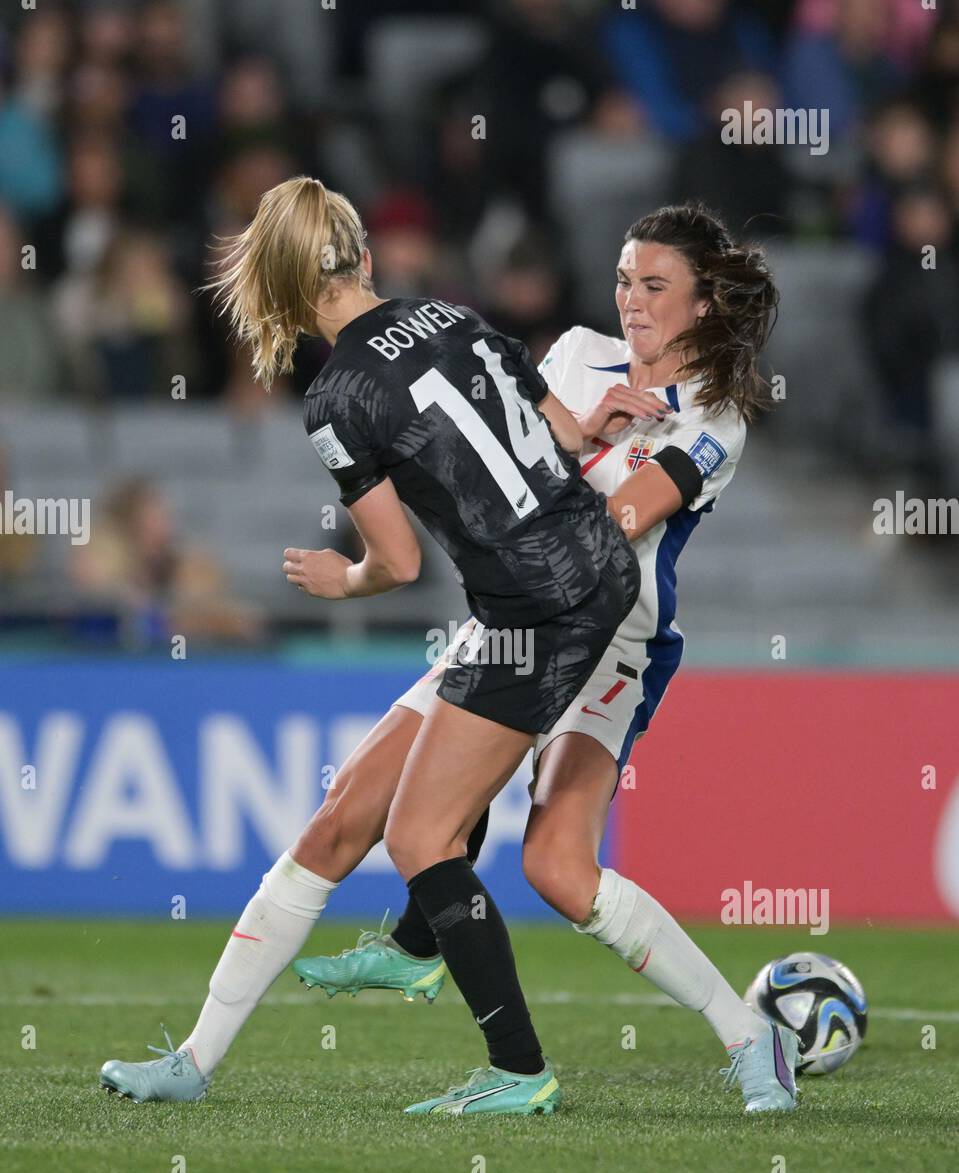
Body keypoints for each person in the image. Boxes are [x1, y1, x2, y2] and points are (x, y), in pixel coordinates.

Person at [99, 175, 641, 1116]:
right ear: (362, 255)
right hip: (574, 572)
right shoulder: (452, 314)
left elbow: (391, 563)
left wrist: (333, 577)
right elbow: (537, 419)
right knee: (344, 817)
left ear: (277, 284)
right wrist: (583, 426)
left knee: (416, 834)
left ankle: (516, 1068)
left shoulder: (338, 395)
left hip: (537, 609)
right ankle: (201, 1057)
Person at [296, 203, 799, 1115]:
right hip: (518, 613)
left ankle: (747, 1034)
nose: (631, 302)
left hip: (614, 637)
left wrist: (555, 455)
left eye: (654, 286)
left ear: (701, 303)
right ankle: (420, 959)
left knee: (557, 869)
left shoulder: (716, 416)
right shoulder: (570, 353)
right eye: (622, 280)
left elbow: (621, 518)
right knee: (423, 804)